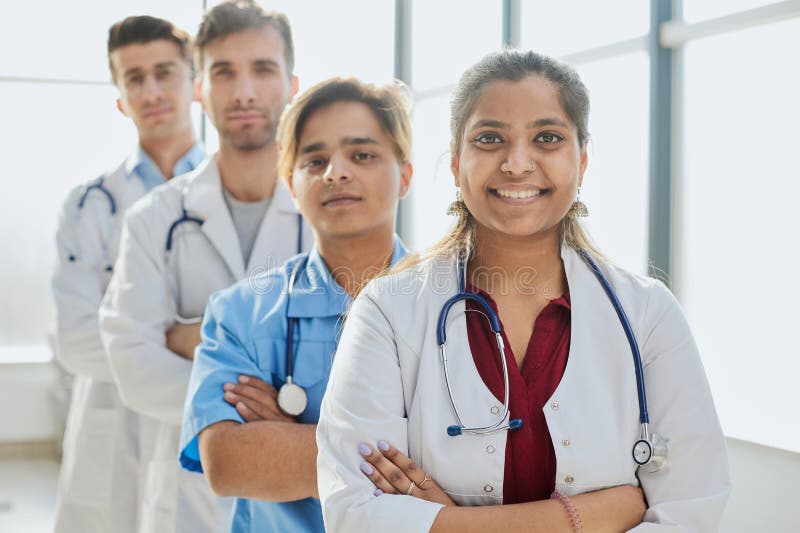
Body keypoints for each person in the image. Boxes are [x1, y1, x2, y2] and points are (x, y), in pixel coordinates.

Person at [316, 49, 731, 532]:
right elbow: (355, 515)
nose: (516, 163)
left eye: (547, 138)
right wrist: (587, 517)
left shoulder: (648, 315)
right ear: (455, 162)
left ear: (582, 158)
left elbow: (691, 512)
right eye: (490, 138)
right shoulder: (388, 312)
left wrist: (444, 522)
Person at [99, 2, 309, 531]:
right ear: (200, 89)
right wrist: (256, 403)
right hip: (186, 495)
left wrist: (195, 339)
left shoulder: (327, 215)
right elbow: (131, 358)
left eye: (263, 69)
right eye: (223, 72)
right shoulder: (154, 219)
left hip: (298, 493)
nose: (244, 92)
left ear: (293, 84)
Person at [178, 77, 412, 533]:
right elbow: (227, 463)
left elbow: (479, 469)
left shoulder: (456, 309)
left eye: (362, 155)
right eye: (315, 160)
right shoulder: (239, 313)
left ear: (404, 174)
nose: (336, 173)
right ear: (291, 182)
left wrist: (290, 438)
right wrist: (405, 457)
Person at [51, 15, 204, 533]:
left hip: (199, 431)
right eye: (134, 78)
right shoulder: (88, 205)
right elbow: (73, 341)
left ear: (194, 82)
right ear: (119, 96)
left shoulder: (237, 198)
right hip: (108, 434)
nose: (152, 89)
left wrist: (130, 334)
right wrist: (182, 338)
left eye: (164, 72)